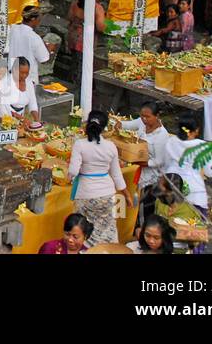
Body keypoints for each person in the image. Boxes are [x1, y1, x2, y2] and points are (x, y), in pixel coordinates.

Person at [68, 109, 131, 246]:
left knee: (84, 232)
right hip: (107, 194)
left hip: (85, 194)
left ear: (87, 124)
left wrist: (70, 177)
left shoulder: (80, 144)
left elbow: (73, 170)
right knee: (107, 229)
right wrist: (127, 194)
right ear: (104, 128)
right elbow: (116, 174)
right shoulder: (110, 146)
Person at [121, 100, 172, 190]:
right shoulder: (142, 122)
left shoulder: (161, 135)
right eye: (142, 116)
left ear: (157, 116)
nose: (144, 119)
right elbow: (128, 125)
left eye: (148, 117)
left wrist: (138, 162)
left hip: (152, 174)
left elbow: (159, 161)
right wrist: (119, 124)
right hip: (139, 166)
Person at [166, 116, 210, 212]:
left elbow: (166, 163)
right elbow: (209, 172)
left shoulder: (171, 141)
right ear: (196, 130)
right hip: (194, 189)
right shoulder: (202, 146)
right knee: (194, 222)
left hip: (172, 183)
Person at [5, 4, 51, 84]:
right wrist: (49, 48)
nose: (39, 22)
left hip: (11, 74)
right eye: (39, 19)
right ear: (33, 19)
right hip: (28, 78)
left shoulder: (12, 29)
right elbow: (44, 59)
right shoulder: (34, 37)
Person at [0, 57, 40, 124]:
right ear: (14, 70)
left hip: (21, 117)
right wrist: (22, 119)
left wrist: (37, 121)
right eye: (22, 73)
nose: (24, 76)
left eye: (26, 73)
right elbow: (3, 107)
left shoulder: (29, 82)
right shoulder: (5, 83)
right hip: (6, 117)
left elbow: (33, 103)